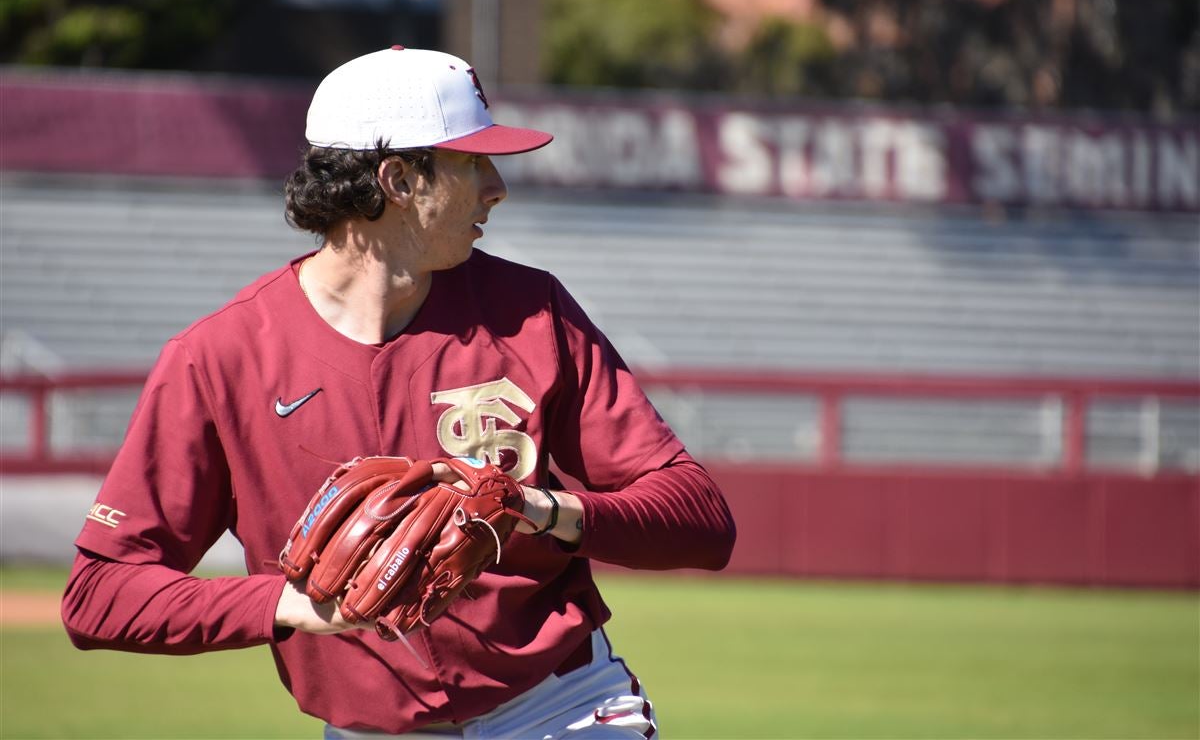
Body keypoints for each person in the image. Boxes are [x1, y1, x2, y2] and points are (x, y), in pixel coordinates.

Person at [60, 46, 737, 738]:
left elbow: (701, 521)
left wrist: (539, 509)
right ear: (397, 179)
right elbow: (99, 594)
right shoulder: (221, 358)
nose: (497, 186)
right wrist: (292, 605)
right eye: (472, 162)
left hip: (558, 706)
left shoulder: (532, 311)